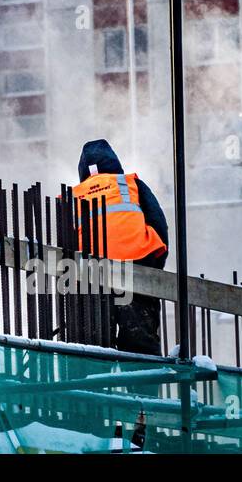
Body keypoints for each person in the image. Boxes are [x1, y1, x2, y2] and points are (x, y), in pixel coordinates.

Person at [72, 139, 170, 355]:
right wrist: (154, 268)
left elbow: (61, 243)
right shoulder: (130, 184)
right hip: (136, 266)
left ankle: (96, 385)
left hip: (90, 274)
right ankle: (142, 386)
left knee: (94, 348)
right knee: (139, 344)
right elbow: (158, 224)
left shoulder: (73, 196)